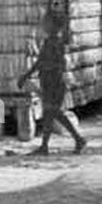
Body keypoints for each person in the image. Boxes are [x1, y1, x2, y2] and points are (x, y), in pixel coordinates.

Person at [18, 11, 87, 155]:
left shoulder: (56, 43)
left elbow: (54, 63)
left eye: (46, 23)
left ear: (53, 26)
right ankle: (46, 146)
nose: (43, 25)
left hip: (54, 82)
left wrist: (27, 75)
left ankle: (77, 139)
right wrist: (27, 75)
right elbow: (40, 62)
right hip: (49, 81)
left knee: (53, 112)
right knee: (50, 113)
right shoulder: (50, 41)